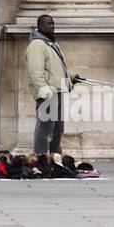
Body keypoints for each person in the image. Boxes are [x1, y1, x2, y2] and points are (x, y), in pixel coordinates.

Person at [25, 14, 74, 155]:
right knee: (45, 128)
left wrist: (70, 78)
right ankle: (40, 157)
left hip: (57, 91)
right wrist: (42, 89)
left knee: (58, 128)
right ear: (40, 26)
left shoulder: (50, 44)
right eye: (48, 24)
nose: (52, 26)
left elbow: (56, 70)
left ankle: (55, 157)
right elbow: (35, 71)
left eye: (52, 23)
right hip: (48, 93)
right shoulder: (37, 45)